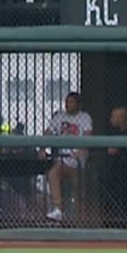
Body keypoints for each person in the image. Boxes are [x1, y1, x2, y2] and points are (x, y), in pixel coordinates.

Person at [42, 91, 94, 221]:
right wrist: (42, 148)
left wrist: (81, 151)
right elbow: (48, 132)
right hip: (62, 158)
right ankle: (58, 208)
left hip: (78, 160)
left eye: (71, 102)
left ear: (78, 104)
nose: (67, 105)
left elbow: (88, 135)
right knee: (52, 174)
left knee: (78, 188)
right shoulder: (59, 117)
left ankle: (80, 216)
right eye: (66, 102)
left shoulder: (85, 117)